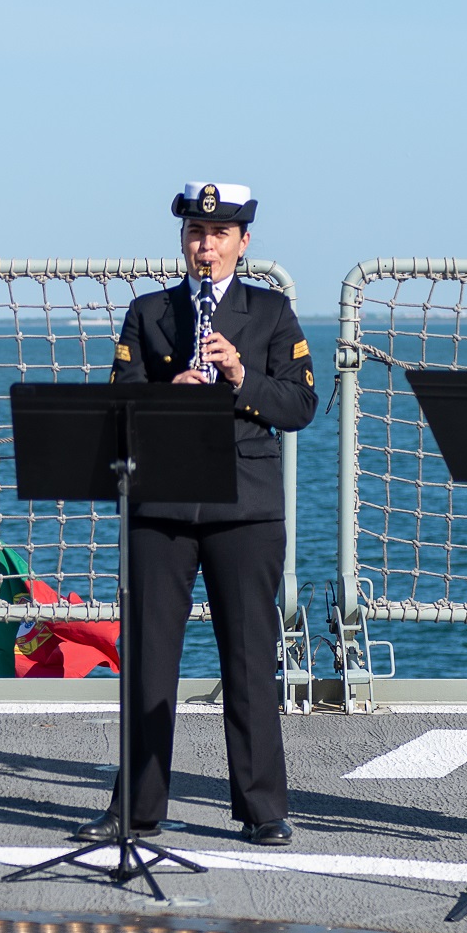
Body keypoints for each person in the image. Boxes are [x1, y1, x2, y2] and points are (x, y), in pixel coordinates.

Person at [79, 181, 318, 848]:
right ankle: (136, 807)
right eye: (194, 233)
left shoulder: (270, 312)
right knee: (148, 657)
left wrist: (241, 378)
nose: (204, 246)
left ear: (243, 242)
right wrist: (167, 393)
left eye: (218, 235)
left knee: (248, 657)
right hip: (161, 500)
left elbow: (299, 405)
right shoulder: (148, 312)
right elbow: (118, 404)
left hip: (244, 505)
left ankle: (263, 808)